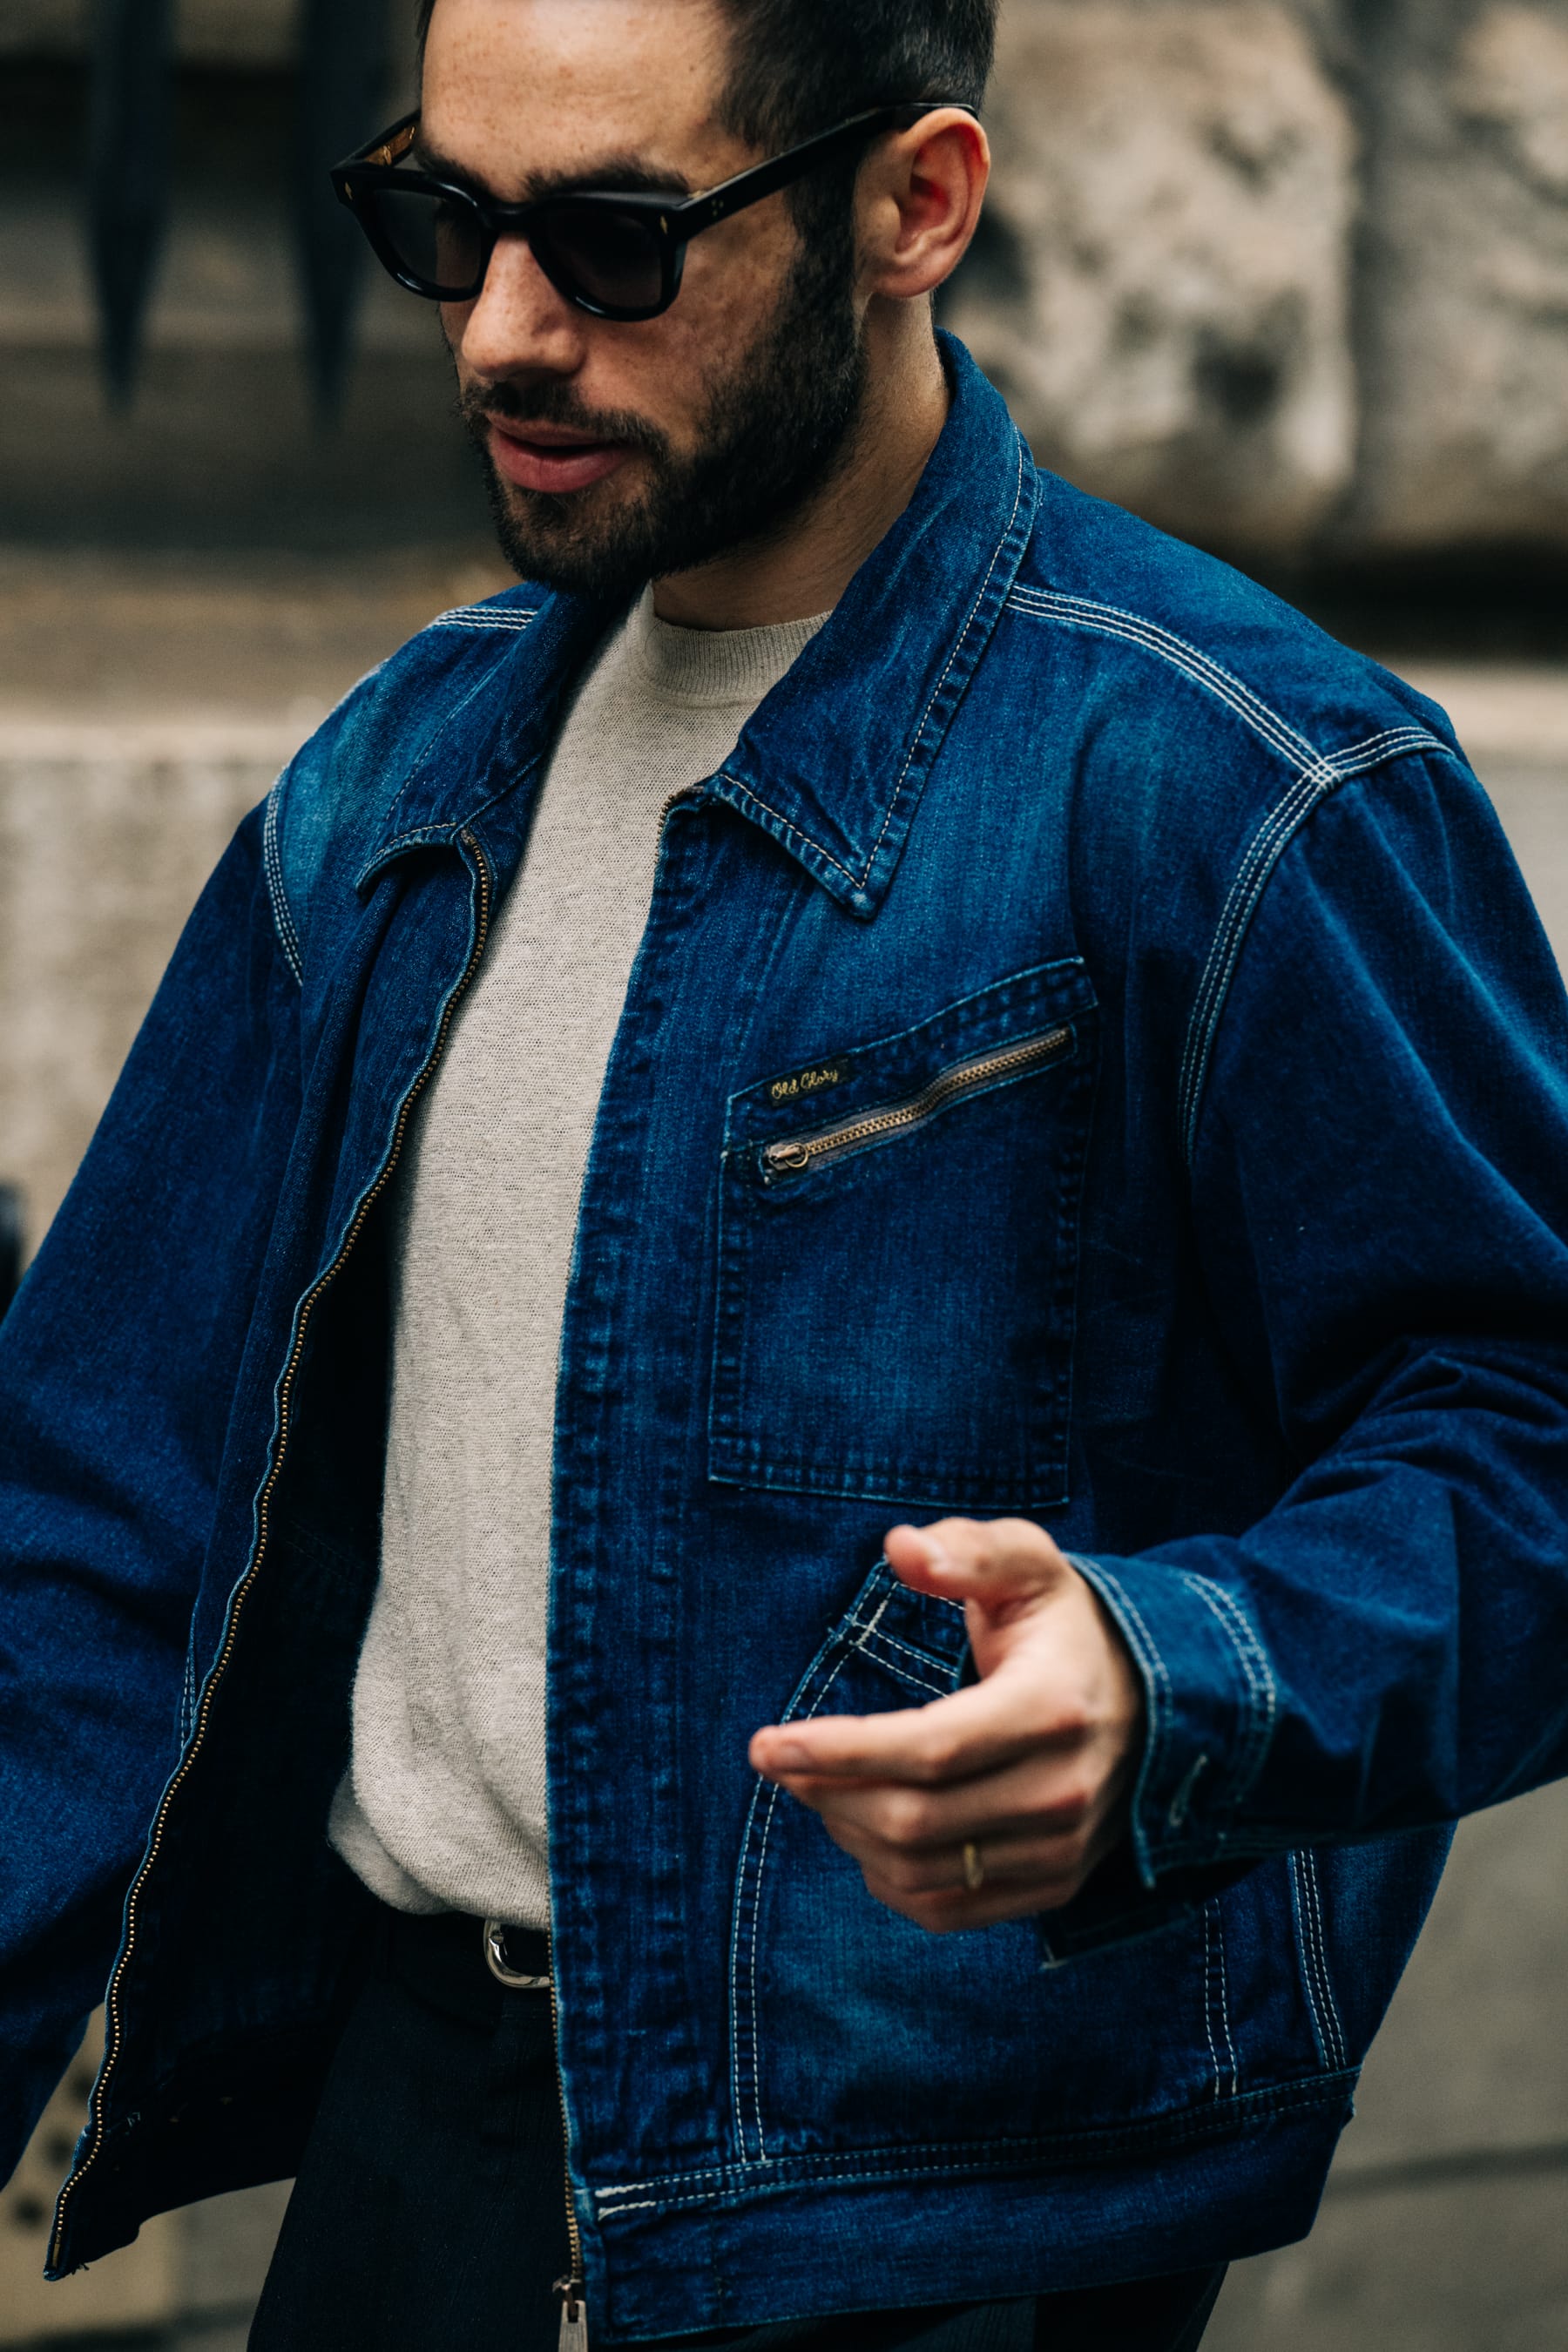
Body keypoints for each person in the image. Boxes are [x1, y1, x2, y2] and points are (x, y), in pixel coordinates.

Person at [3, 0, 1567, 2345]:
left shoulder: (1236, 779)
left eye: (619, 240)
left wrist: (1178, 1677)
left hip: (924, 2223)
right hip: (408, 2150)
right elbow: (96, 1535)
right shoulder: (396, 784)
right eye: (445, 217)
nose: (505, 332)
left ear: (913, 205)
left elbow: (1531, 1429)